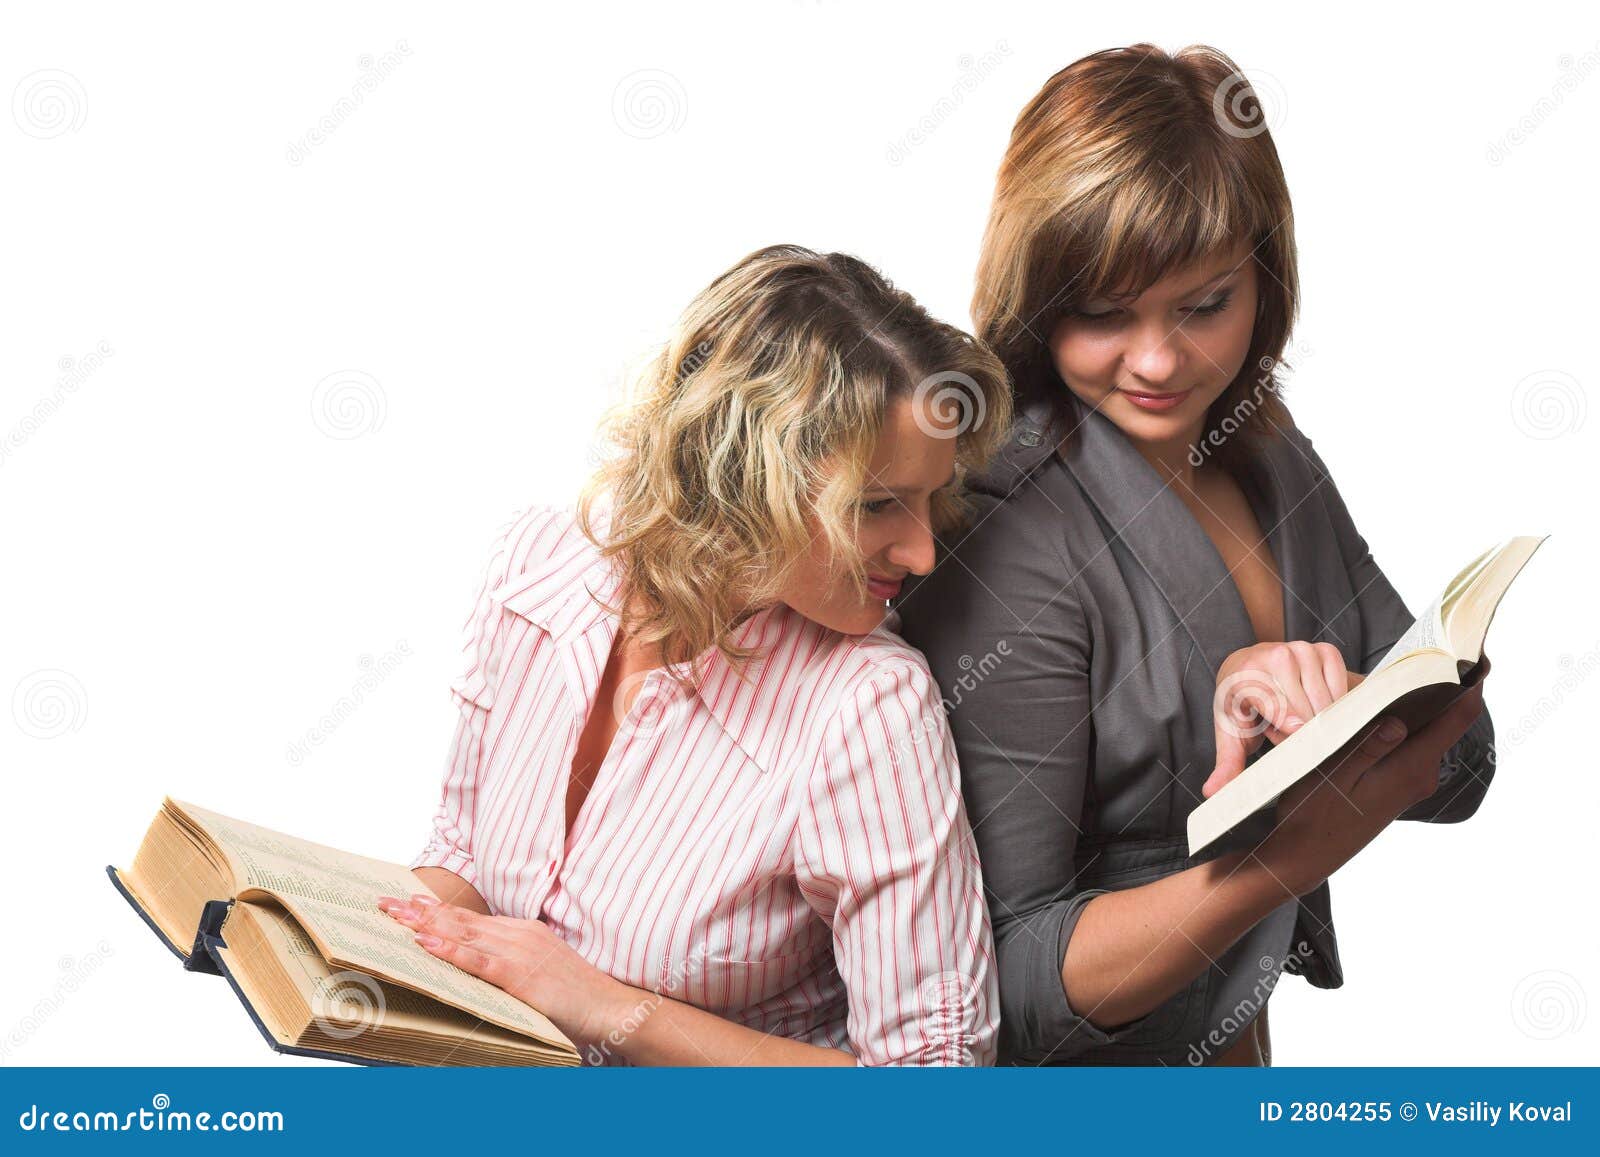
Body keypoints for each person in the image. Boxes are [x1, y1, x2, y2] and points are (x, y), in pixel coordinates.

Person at [895, 44, 1496, 1066]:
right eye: (1101, 314)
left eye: (1204, 304)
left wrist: (1340, 706)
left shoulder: (1262, 444)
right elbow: (998, 989)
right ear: (1037, 297)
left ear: (1265, 278)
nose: (1161, 362)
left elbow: (1458, 762)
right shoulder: (1006, 521)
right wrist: (1290, 851)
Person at [379, 244, 1012, 1065]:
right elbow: (461, 852)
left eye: (930, 497)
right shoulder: (531, 567)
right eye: (877, 505)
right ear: (742, 475)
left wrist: (604, 1005)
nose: (924, 552)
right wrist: (336, 947)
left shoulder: (868, 706)